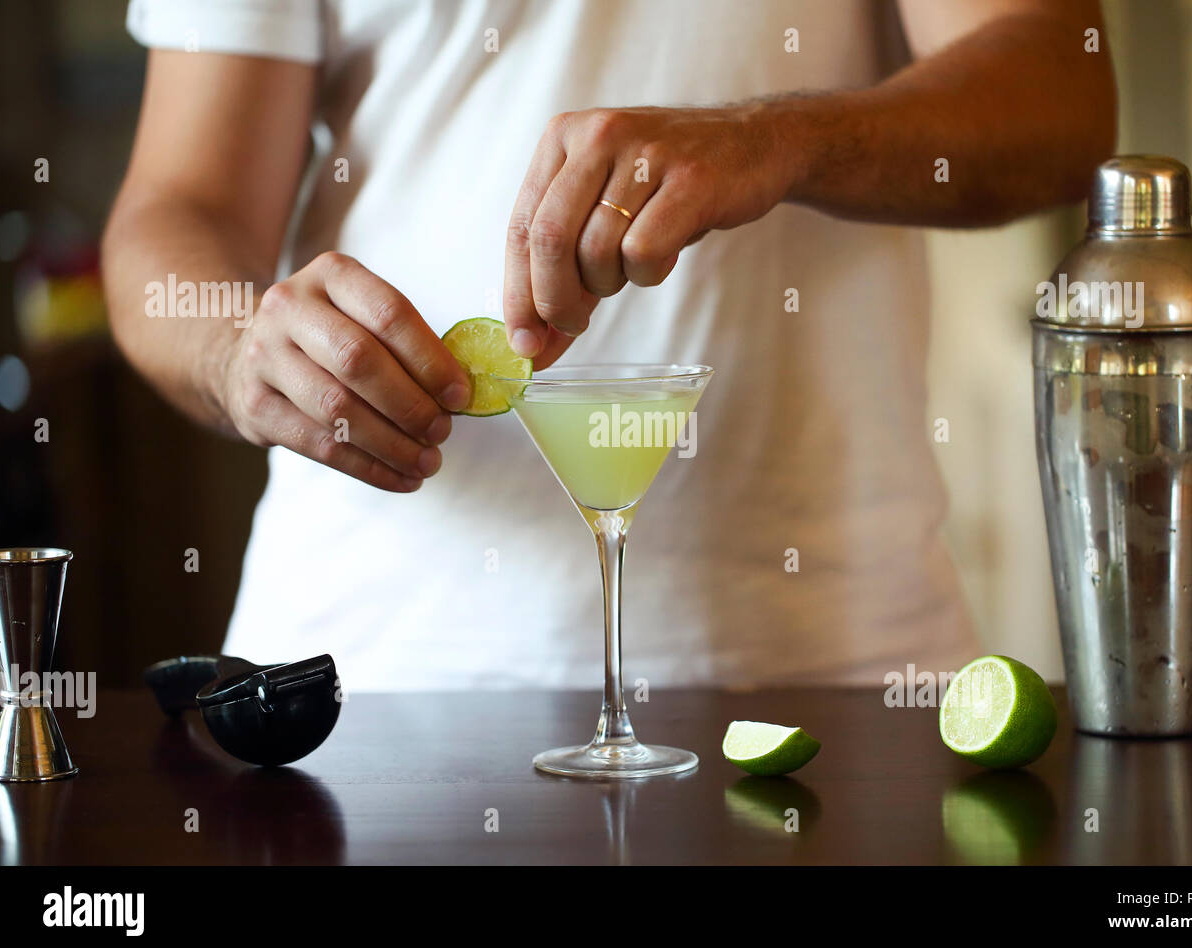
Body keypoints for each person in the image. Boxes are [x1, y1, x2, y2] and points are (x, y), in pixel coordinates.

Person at [103, 0, 1115, 690]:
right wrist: (239, 348)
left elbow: (1062, 96)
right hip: (377, 679)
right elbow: (177, 207)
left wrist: (774, 136)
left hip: (836, 666)